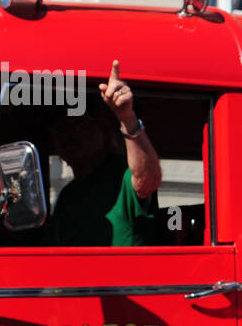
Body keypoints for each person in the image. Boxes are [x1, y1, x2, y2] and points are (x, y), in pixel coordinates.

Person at [47, 60, 162, 246]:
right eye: (60, 127)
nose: (68, 132)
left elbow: (147, 180)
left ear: (107, 131)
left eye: (80, 123)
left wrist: (127, 118)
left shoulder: (122, 173)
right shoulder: (68, 195)